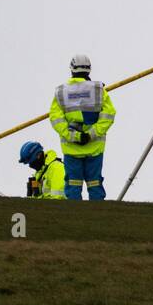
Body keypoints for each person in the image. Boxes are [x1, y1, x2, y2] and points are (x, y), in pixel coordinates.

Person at [49, 54, 116, 200]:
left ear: (71, 70)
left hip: (71, 148)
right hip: (95, 147)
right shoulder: (99, 90)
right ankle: (98, 217)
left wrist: (74, 136)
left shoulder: (61, 92)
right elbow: (109, 115)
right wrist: (91, 134)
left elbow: (56, 119)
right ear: (89, 70)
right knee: (95, 183)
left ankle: (75, 218)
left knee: (73, 185)